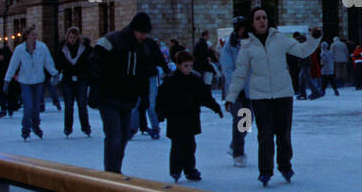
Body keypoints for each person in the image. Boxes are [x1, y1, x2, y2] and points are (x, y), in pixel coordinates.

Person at [223, 8, 320, 186]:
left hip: (283, 94)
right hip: (260, 96)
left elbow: (302, 50)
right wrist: (231, 96)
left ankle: (285, 166)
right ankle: (265, 171)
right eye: (258, 18)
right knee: (265, 135)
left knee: (283, 135)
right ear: (252, 23)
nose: (262, 21)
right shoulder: (247, 46)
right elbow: (240, 73)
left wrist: (314, 38)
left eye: (264, 17)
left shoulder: (279, 39)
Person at [88, 13, 155, 173]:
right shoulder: (112, 40)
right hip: (108, 97)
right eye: (142, 32)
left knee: (124, 136)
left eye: (146, 33)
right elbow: (93, 63)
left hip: (128, 98)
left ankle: (115, 170)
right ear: (134, 29)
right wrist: (96, 89)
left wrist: (144, 98)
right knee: (114, 134)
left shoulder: (144, 48)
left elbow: (144, 75)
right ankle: (112, 172)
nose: (144, 36)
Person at [156, 50, 223, 182]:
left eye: (191, 66)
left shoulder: (194, 79)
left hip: (191, 117)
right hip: (175, 118)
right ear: (178, 65)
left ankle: (190, 169)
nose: (189, 69)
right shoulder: (170, 80)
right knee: (177, 145)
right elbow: (161, 99)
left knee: (190, 145)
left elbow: (204, 96)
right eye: (186, 66)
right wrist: (160, 113)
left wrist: (215, 107)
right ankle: (175, 170)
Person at [4, 28, 58, 141]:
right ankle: (25, 128)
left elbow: (48, 62)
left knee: (36, 107)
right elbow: (13, 65)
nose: (35, 37)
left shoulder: (42, 47)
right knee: (28, 106)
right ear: (27, 36)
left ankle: (36, 126)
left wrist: (54, 73)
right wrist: (7, 80)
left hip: (38, 81)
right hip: (25, 81)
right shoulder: (20, 49)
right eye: (33, 35)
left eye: (36, 35)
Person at [221, 16, 251, 166]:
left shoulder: (252, 43)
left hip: (251, 88)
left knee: (248, 121)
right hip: (235, 89)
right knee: (240, 118)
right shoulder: (229, 46)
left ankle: (235, 143)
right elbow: (227, 68)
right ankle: (238, 153)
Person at [57, 26, 93, 137]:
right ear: (67, 38)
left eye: (74, 37)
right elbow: (58, 63)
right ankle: (68, 128)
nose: (72, 39)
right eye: (70, 37)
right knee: (68, 105)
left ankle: (86, 127)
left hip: (81, 78)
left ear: (78, 37)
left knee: (82, 104)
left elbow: (91, 62)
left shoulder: (85, 49)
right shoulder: (62, 50)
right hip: (67, 79)